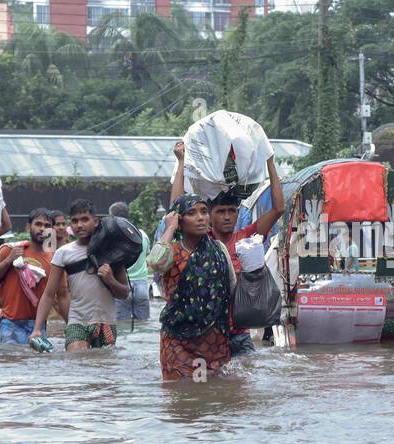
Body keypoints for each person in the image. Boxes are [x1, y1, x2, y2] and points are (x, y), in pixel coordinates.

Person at [169, 140, 285, 355]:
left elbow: (279, 208)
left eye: (232, 211)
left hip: (240, 333)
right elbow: (177, 211)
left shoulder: (247, 239)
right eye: (221, 211)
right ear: (208, 215)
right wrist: (182, 162)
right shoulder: (203, 240)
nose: (227, 217)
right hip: (209, 332)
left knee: (245, 383)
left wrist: (270, 161)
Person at [147, 194, 234, 380]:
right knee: (181, 398)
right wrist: (170, 227)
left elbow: (231, 288)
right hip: (178, 339)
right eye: (192, 213)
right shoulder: (172, 250)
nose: (201, 217)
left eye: (204, 212)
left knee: (215, 397)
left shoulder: (219, 249)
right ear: (180, 219)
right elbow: (154, 262)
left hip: (214, 339)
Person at [30, 199, 129, 351]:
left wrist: (110, 280)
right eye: (75, 221)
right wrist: (37, 329)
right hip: (77, 321)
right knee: (76, 363)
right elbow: (49, 294)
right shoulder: (63, 253)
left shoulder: (111, 251)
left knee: (104, 369)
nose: (79, 225)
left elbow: (124, 293)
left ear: (95, 222)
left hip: (106, 322)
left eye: (84, 220)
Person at [0, 207, 69, 344]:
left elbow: (63, 295)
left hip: (38, 324)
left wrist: (71, 325)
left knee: (36, 363)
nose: (42, 228)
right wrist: (8, 260)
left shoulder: (55, 259)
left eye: (47, 226)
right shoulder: (11, 249)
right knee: (11, 360)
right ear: (28, 227)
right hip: (10, 322)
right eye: (38, 224)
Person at [108, 201, 151, 325]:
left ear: (112, 217)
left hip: (121, 286)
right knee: (143, 324)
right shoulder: (142, 234)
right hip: (142, 286)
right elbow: (147, 257)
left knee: (122, 325)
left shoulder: (111, 236)